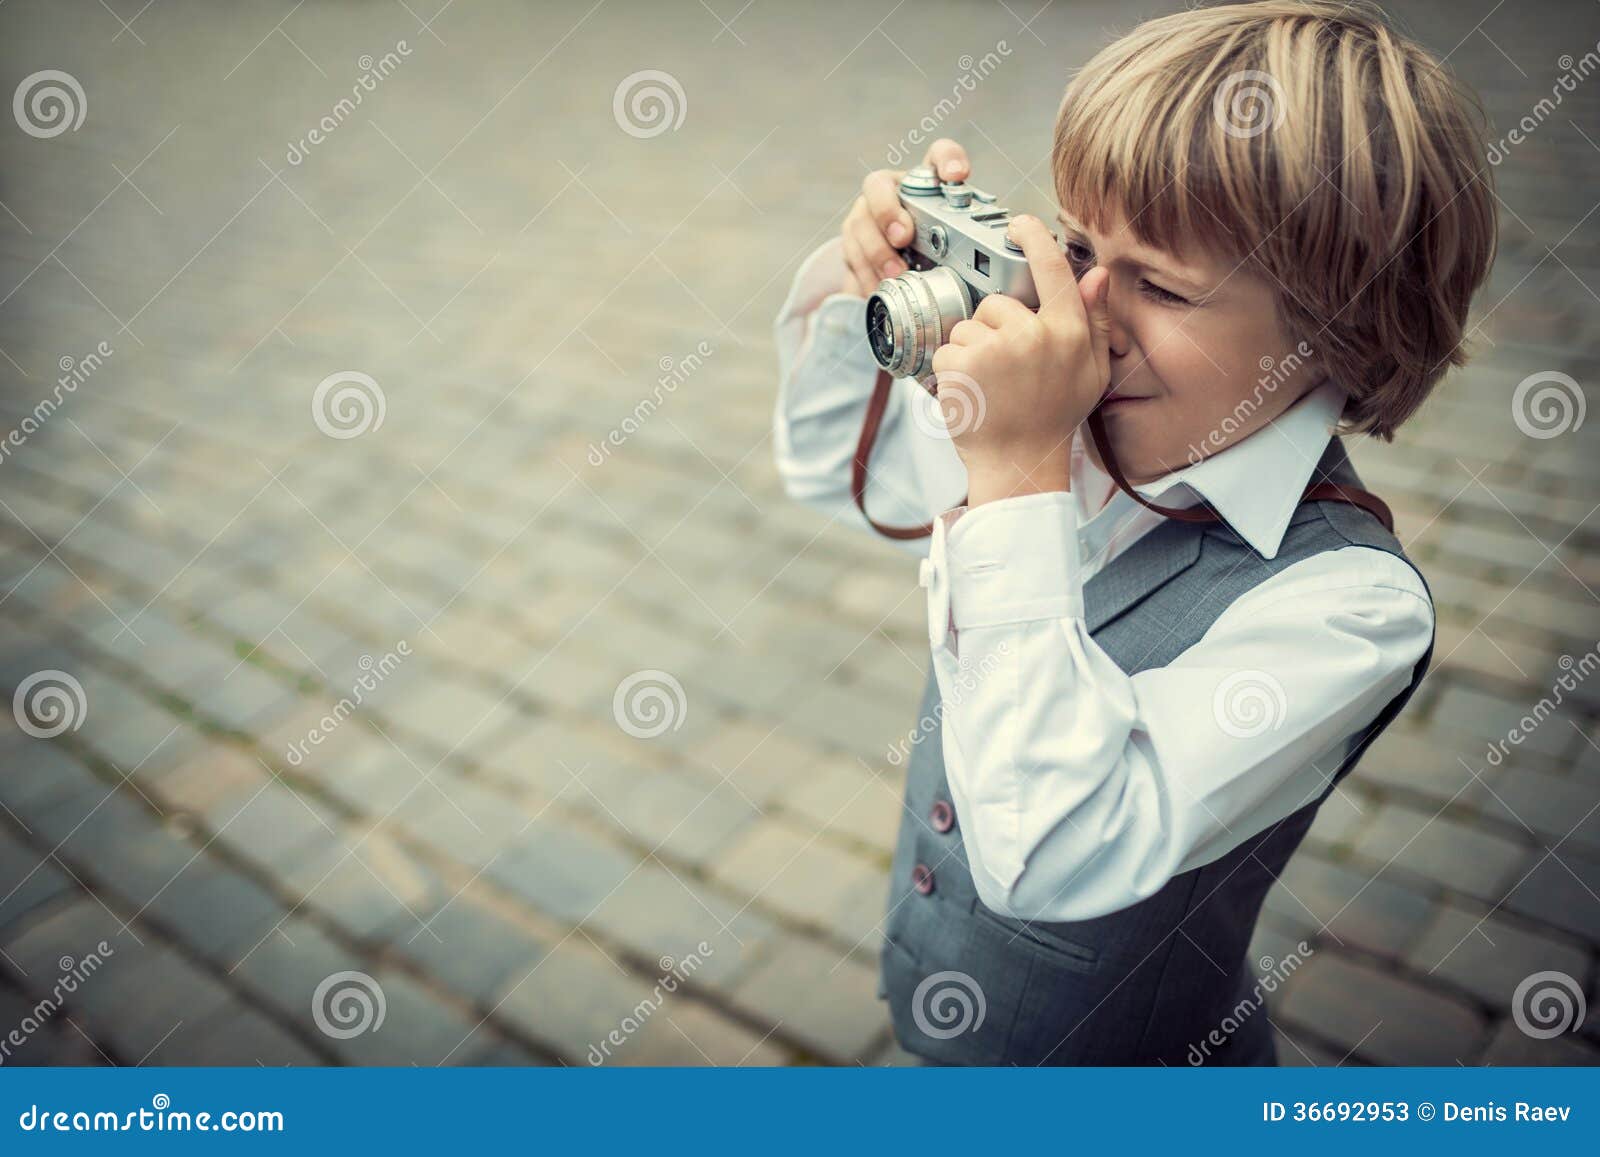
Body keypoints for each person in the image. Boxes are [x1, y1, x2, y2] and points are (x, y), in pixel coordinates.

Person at [771, 0, 1496, 1064]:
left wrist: (1013, 478)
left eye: (1160, 285)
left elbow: (1051, 849)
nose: (1089, 313)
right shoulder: (1057, 428)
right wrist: (863, 290)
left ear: (1344, 330)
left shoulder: (1350, 608)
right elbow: (827, 467)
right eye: (1074, 248)